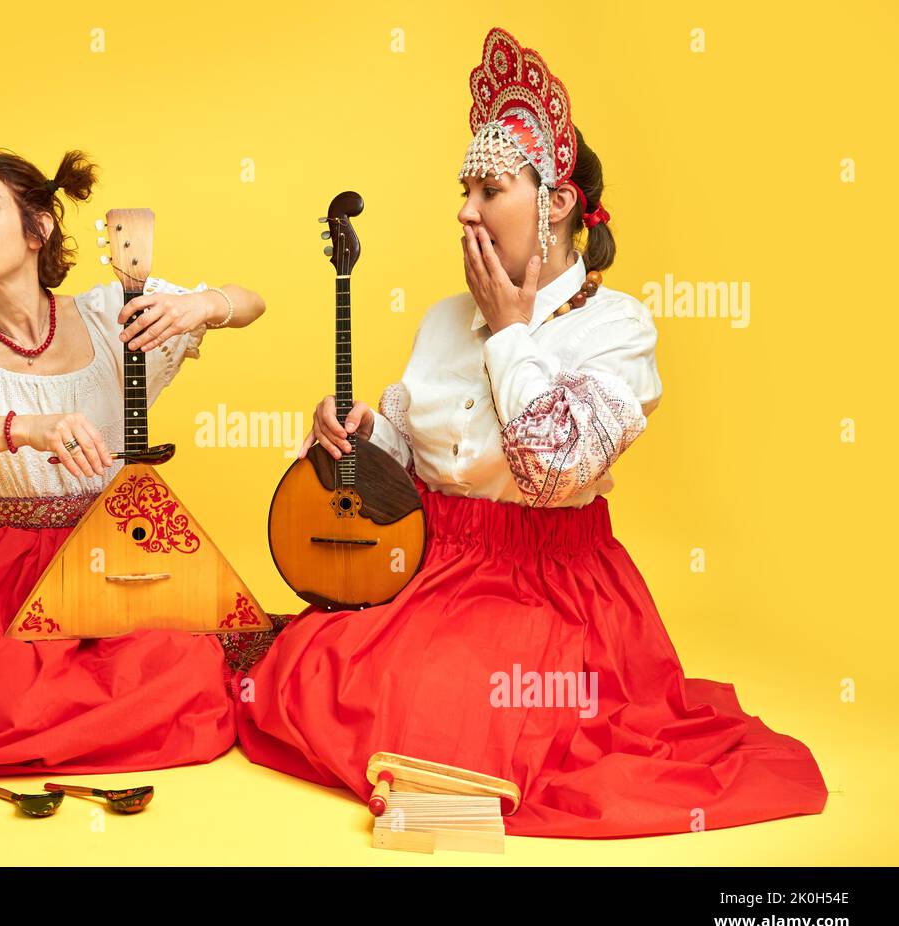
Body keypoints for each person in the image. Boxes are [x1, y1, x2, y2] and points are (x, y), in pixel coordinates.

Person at [232, 27, 829, 837]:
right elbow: (417, 468)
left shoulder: (617, 327)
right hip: (431, 562)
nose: (464, 209)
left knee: (456, 707)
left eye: (489, 189)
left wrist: (512, 333)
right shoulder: (443, 319)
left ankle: (446, 795)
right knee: (306, 666)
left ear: (557, 204)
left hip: (544, 586)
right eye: (464, 189)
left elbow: (550, 471)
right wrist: (364, 439)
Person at [0, 147, 266, 778]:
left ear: (39, 228)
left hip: (117, 552)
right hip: (7, 570)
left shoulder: (109, 314)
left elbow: (251, 302)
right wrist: (21, 428)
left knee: (184, 668)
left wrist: (202, 306)